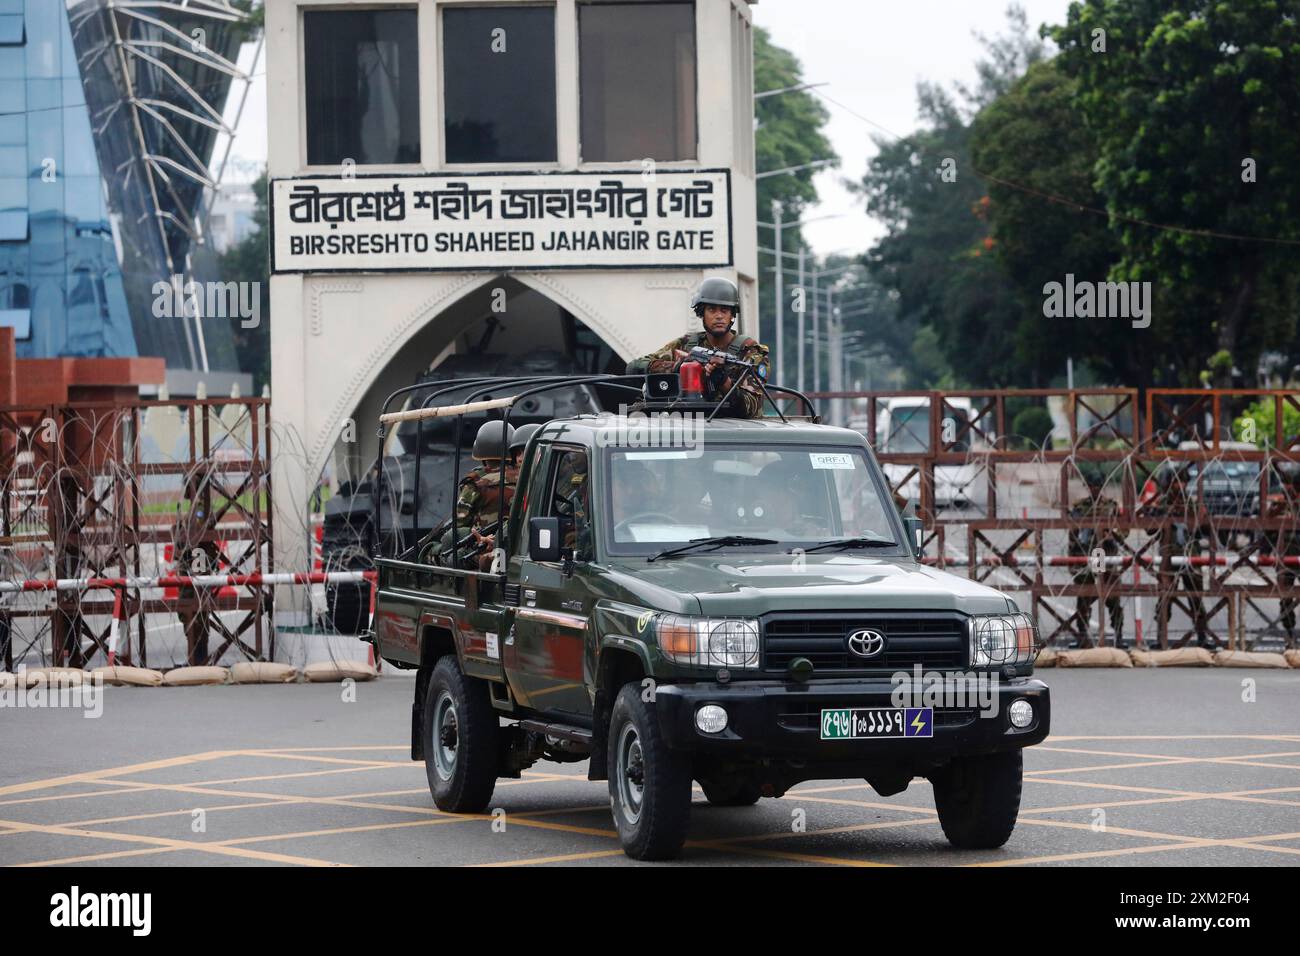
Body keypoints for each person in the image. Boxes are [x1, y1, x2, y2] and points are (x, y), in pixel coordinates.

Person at [626, 277, 770, 417]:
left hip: (734, 430)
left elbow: (751, 408)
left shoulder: (750, 352)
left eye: (724, 310)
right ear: (702, 313)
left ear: (732, 315)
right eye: (712, 310)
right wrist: (678, 367)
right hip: (688, 422)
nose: (719, 316)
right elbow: (634, 367)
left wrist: (723, 382)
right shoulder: (688, 344)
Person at [1068, 469, 1126, 648]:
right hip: (1086, 555)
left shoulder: (1111, 507)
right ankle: (1082, 635)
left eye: (1097, 487)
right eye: (1091, 486)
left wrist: (1113, 534)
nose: (1094, 490)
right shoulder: (1079, 508)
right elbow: (1072, 535)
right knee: (1084, 598)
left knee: (1112, 597)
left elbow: (1124, 530)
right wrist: (1074, 561)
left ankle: (1119, 635)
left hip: (1104, 554)